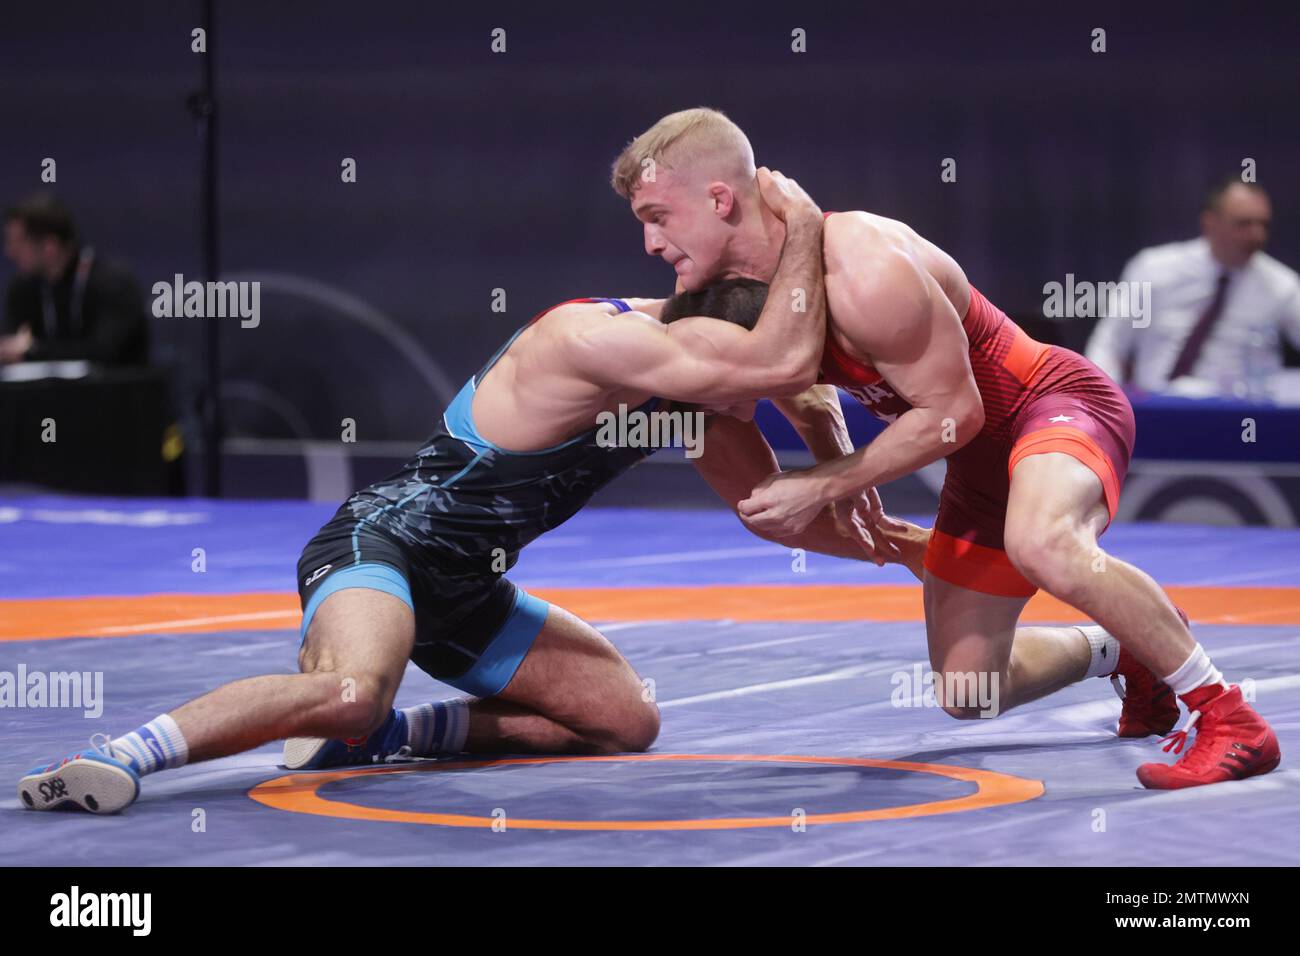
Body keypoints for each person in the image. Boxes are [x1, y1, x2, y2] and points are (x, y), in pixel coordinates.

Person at [19, 170, 927, 814]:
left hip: (464, 587)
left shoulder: (697, 398)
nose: (747, 410)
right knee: (347, 690)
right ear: (711, 356)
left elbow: (778, 493)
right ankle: (112, 757)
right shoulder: (592, 339)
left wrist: (917, 543)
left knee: (626, 720)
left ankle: (391, 739)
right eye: (741, 392)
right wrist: (804, 227)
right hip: (381, 548)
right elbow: (780, 365)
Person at [612, 108, 1280, 789]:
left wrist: (825, 483)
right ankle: (1123, 649)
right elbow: (783, 372)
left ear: (719, 199)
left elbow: (959, 413)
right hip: (975, 457)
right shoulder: (725, 288)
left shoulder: (862, 265)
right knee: (968, 691)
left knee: (1043, 541)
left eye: (657, 215)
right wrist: (840, 460)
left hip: (1046, 405)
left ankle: (1229, 718)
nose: (650, 242)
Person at [1086, 177, 1300, 397]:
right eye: (1243, 224)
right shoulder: (1152, 268)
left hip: (1241, 418)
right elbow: (1110, 344)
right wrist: (1101, 401)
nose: (1257, 235)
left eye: (1263, 224)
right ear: (1210, 223)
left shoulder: (1281, 285)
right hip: (1156, 411)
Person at [2, 194, 149, 367]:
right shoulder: (23, 289)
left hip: (111, 391)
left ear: (50, 247)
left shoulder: (113, 284)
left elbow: (104, 351)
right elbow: (11, 344)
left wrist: (34, 351)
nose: (9, 252)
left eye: (18, 244)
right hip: (41, 394)